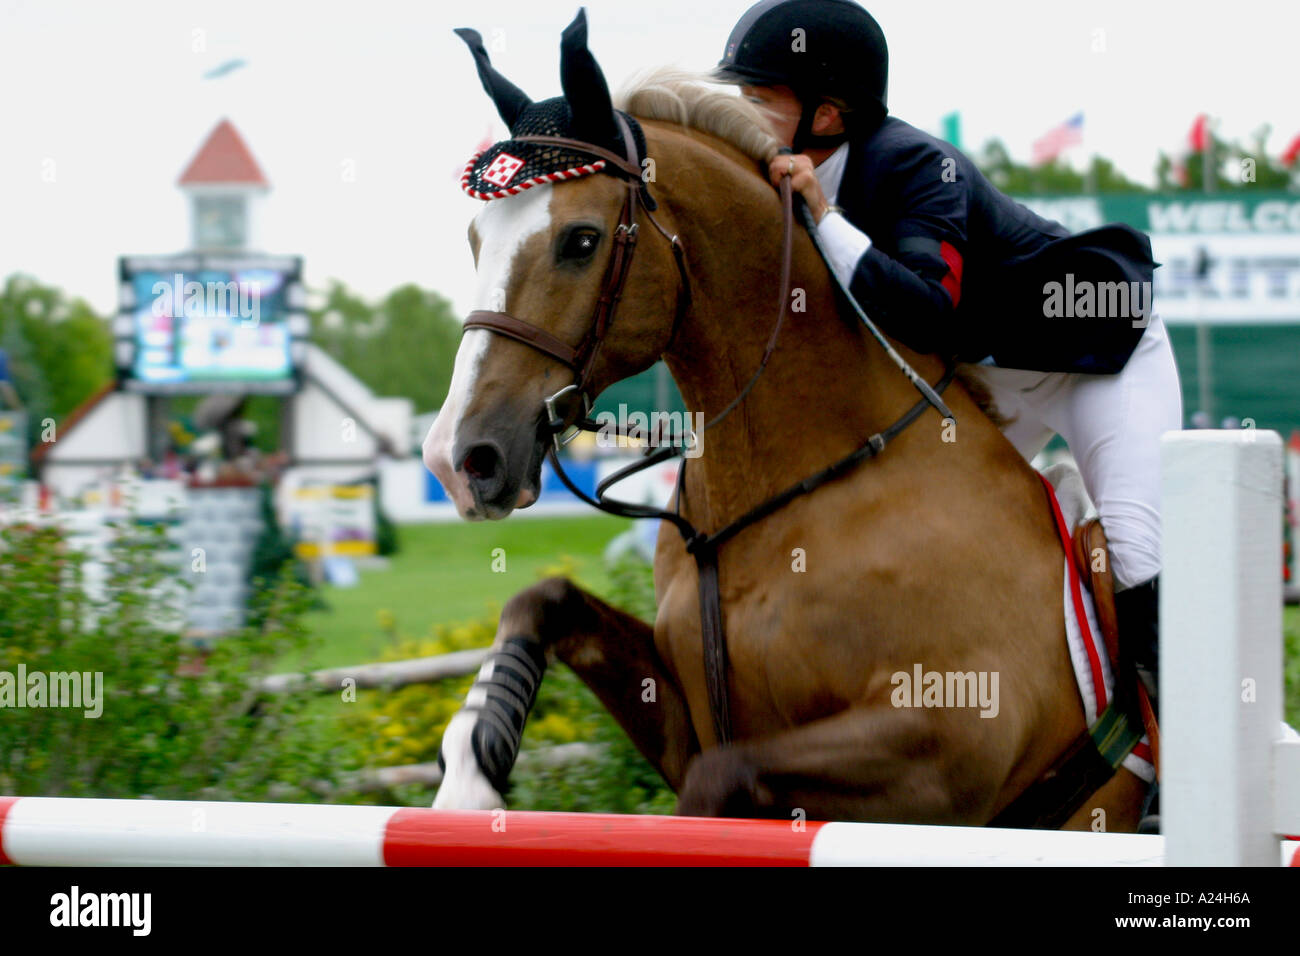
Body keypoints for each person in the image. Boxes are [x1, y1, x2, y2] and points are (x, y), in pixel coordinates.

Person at [714, 0, 1183, 720]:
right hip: (984, 379)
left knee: (1136, 558)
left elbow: (928, 312)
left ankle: (1182, 752)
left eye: (759, 99)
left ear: (829, 115)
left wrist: (828, 222)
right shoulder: (775, 182)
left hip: (1095, 356)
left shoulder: (914, 165)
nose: (742, 115)